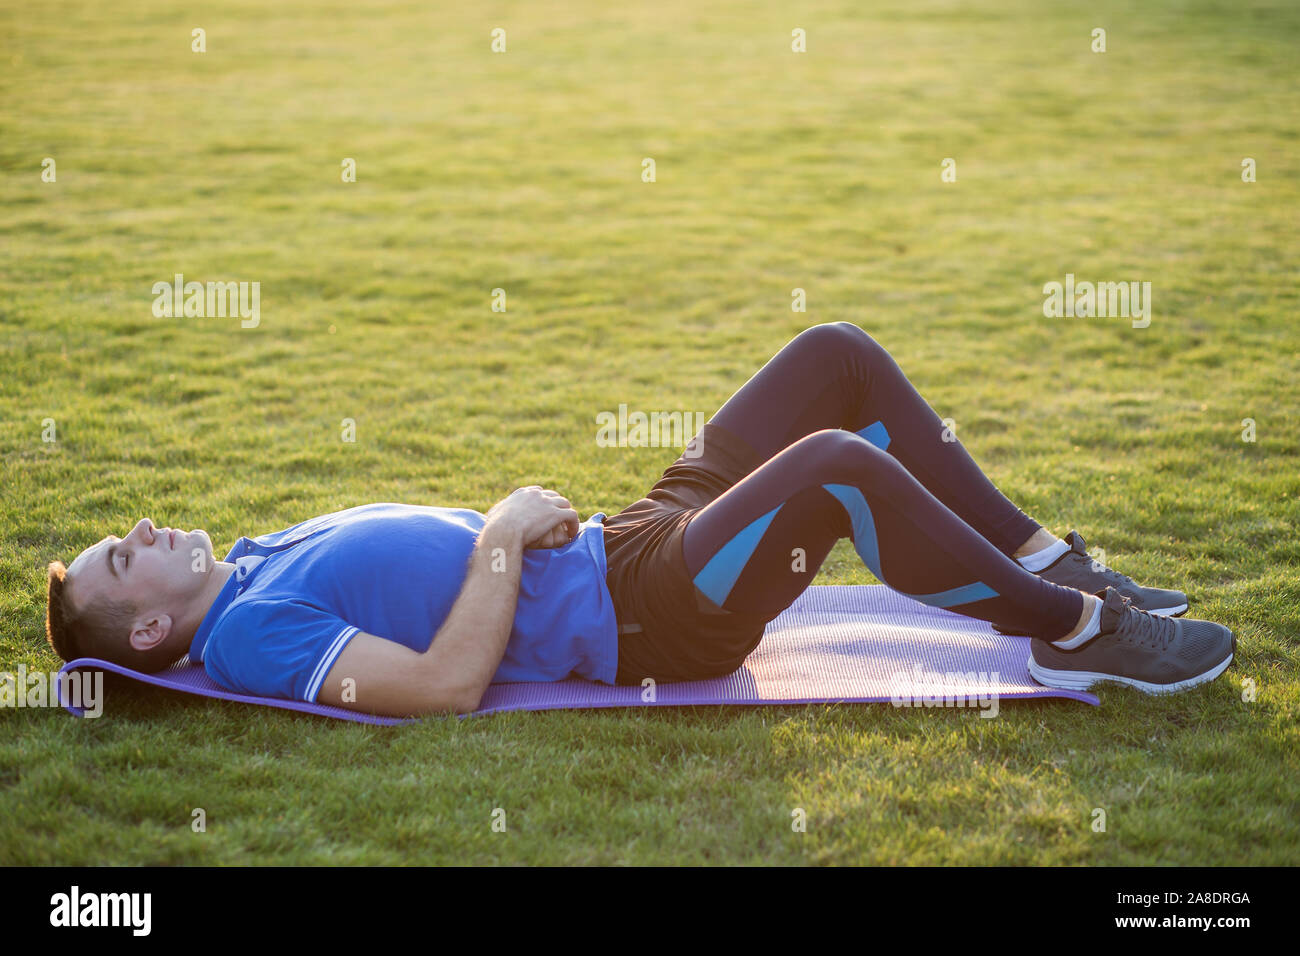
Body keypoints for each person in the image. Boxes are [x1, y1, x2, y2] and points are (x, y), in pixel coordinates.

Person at [44, 323, 1235, 716]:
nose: (142, 525)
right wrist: (504, 532)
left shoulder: (250, 561)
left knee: (834, 359)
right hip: (653, 615)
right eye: (121, 553)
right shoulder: (250, 638)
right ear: (150, 633)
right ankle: (1072, 626)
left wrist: (532, 528)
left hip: (632, 539)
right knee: (830, 465)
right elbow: (443, 689)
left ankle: (1047, 555)